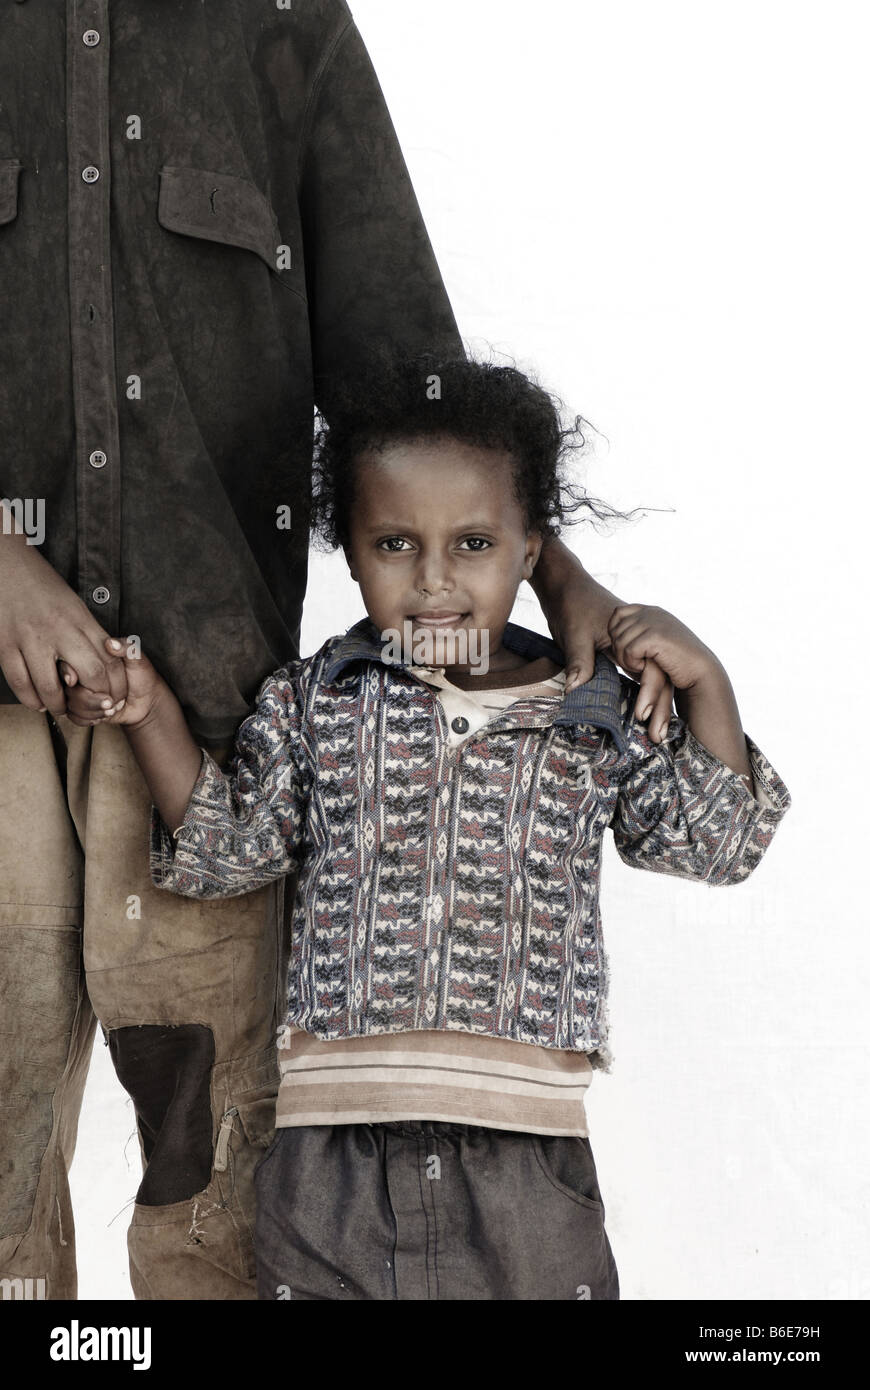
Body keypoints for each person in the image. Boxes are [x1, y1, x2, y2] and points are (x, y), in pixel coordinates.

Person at [0, 2, 672, 1302]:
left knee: (210, 1195)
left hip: (204, 729)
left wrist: (561, 571)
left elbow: (408, 385)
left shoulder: (282, 23)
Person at [61, 355, 791, 1300]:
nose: (435, 581)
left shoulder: (592, 705)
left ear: (534, 552)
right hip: (329, 1163)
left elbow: (714, 846)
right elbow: (223, 851)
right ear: (349, 547)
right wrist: (149, 709)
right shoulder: (317, 699)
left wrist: (709, 684)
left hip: (527, 1163)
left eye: (476, 545)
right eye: (395, 544)